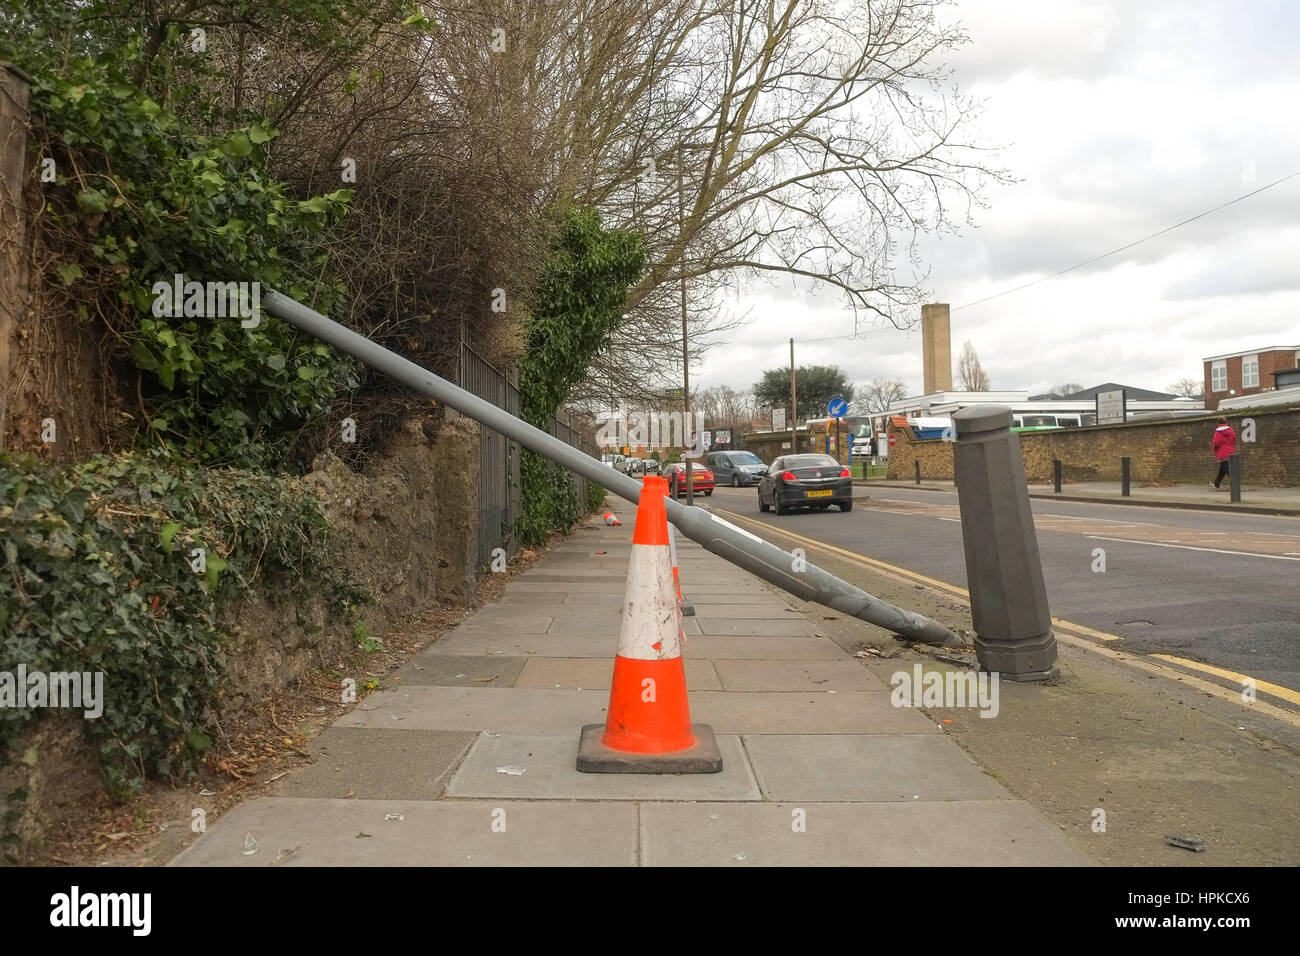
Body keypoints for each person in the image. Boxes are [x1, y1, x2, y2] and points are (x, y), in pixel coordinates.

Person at [1210, 417, 1236, 491]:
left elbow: (1216, 443)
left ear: (1218, 423)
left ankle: (1235, 485)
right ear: (1226, 422)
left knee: (1227, 470)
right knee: (1222, 470)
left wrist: (1215, 448)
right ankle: (1216, 484)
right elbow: (1234, 439)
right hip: (1231, 451)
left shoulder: (1218, 432)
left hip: (1222, 453)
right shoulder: (1230, 430)